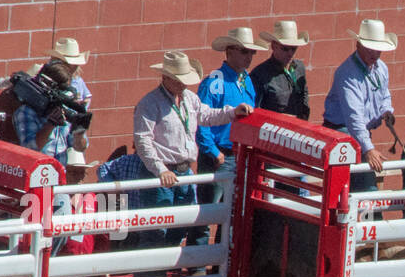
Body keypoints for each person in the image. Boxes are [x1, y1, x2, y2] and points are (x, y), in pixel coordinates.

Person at [133, 50, 252, 248]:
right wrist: (161, 169)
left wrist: (232, 112)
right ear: (165, 78)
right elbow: (143, 140)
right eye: (179, 80)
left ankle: (163, 268)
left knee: (181, 226)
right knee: (157, 230)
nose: (183, 84)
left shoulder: (189, 98)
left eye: (184, 80)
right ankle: (153, 272)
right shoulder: (149, 103)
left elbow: (206, 115)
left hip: (183, 173)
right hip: (162, 173)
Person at [323, 19, 398, 193]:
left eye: (377, 49)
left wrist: (386, 111)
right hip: (341, 133)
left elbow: (384, 94)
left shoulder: (381, 69)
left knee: (362, 186)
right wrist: (368, 149)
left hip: (359, 133)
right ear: (358, 45)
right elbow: (353, 116)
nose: (375, 53)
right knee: (363, 187)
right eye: (370, 48)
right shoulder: (347, 74)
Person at [197, 27, 262, 209]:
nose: (249, 56)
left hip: (239, 155)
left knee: (233, 213)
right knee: (207, 211)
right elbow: (200, 119)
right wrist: (213, 152)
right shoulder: (215, 82)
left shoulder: (246, 79)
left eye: (252, 52)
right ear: (230, 51)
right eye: (244, 51)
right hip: (219, 155)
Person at [14, 59, 77, 165]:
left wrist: (80, 129)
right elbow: (31, 150)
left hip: (61, 174)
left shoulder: (64, 109)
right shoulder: (26, 112)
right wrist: (50, 124)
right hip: (39, 174)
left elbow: (79, 146)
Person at [250, 20, 310, 120]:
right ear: (274, 46)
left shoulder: (299, 67)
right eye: (285, 49)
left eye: (294, 49)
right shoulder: (259, 74)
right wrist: (280, 119)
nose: (290, 53)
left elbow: (304, 94)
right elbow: (256, 111)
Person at [48, 38, 93, 109]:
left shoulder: (78, 80)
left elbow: (87, 97)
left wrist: (81, 107)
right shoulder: (48, 80)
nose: (76, 65)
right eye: (72, 63)